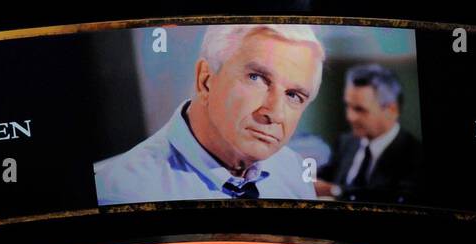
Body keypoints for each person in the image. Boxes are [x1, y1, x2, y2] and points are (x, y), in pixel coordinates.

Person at [93, 23, 324, 204]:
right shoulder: (118, 191)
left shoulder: (294, 171)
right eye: (256, 78)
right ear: (205, 80)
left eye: (294, 95)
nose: (274, 113)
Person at [315, 64, 421, 203]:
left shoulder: (415, 155)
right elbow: (321, 177)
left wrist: (337, 190)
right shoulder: (346, 143)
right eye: (348, 106)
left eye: (360, 109)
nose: (350, 117)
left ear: (391, 109)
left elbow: (396, 199)